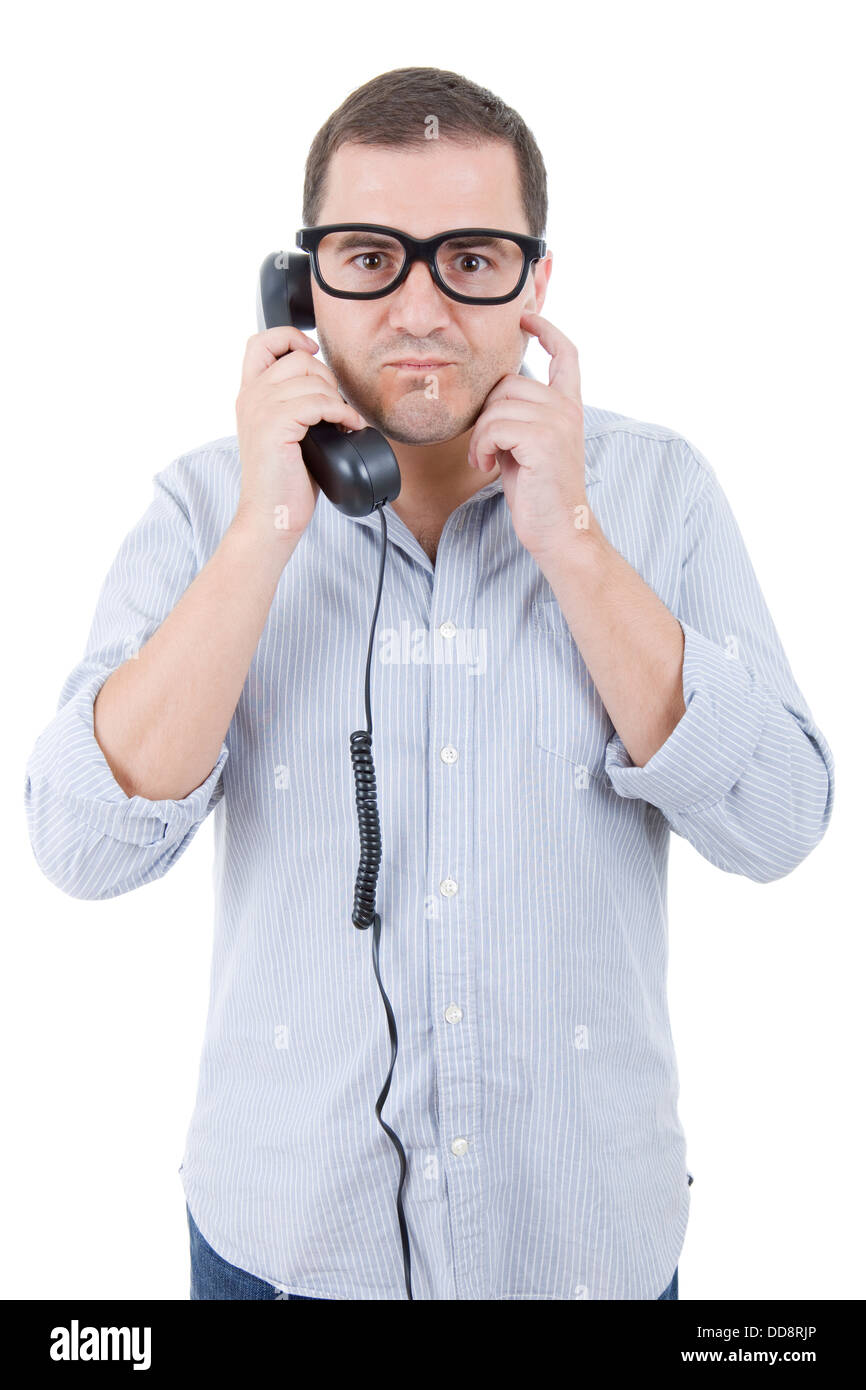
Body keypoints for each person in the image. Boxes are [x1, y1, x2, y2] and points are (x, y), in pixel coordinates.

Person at [24, 66, 834, 1301]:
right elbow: (81, 847)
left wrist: (571, 539)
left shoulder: (659, 492)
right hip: (283, 1251)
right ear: (301, 287)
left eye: (468, 258)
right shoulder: (205, 506)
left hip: (579, 1257)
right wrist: (264, 531)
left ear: (534, 283)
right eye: (368, 256)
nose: (417, 307)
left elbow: (780, 828)